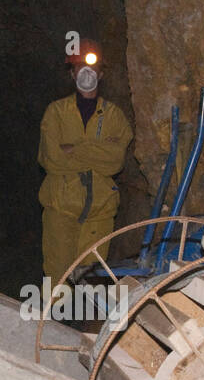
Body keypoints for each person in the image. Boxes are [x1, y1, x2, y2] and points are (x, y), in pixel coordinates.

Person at [37, 37, 133, 280]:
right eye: (79, 66)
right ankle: (52, 318)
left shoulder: (114, 116)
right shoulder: (55, 112)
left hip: (100, 211)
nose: (86, 72)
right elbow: (53, 160)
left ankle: (85, 318)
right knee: (58, 278)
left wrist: (74, 148)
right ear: (71, 73)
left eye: (92, 67)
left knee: (90, 278)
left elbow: (115, 161)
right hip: (61, 207)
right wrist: (98, 150)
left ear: (101, 74)